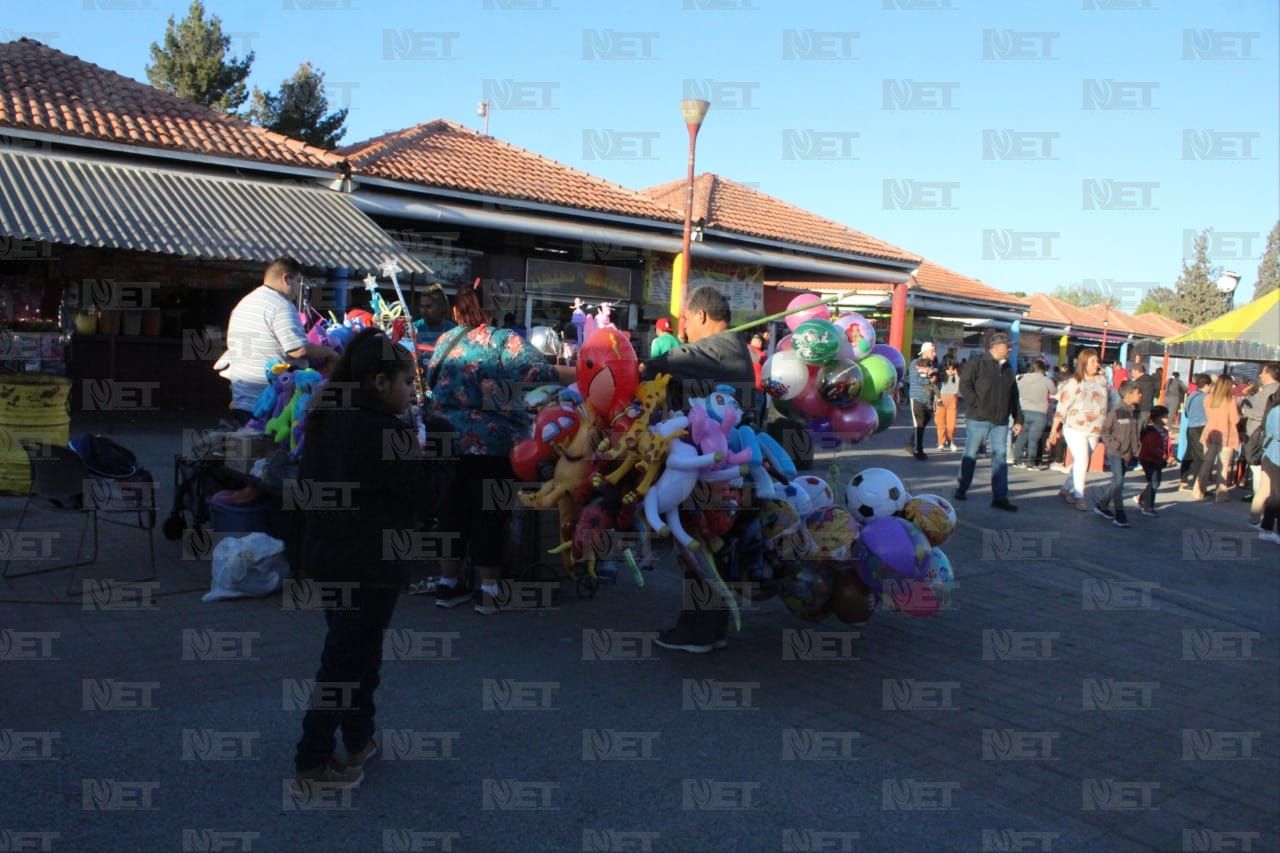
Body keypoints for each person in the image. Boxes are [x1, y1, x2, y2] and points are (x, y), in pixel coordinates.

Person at [293, 328, 425, 796]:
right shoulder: (386, 431)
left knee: (356, 653)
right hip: (371, 561)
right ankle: (312, 760)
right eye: (406, 382)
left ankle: (357, 738)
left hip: (329, 553)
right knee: (346, 660)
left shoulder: (326, 412)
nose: (411, 391)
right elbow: (421, 495)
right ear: (378, 381)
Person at [429, 288, 573, 614]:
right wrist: (585, 374)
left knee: (452, 513)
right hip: (492, 444)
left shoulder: (444, 341)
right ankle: (488, 592)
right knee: (489, 515)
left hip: (447, 442)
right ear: (491, 312)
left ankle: (447, 585)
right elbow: (541, 373)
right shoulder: (503, 340)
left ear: (456, 312)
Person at [641, 286, 756, 654]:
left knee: (700, 547)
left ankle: (700, 632)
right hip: (720, 468)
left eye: (686, 320)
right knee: (705, 547)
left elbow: (668, 360)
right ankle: (706, 626)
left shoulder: (721, 347)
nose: (684, 328)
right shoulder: (728, 348)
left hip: (717, 471)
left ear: (702, 316)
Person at [215, 257, 339, 424]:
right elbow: (298, 350)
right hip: (268, 403)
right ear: (286, 278)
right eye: (298, 281)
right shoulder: (281, 306)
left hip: (242, 399)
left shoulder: (245, 302)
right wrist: (329, 352)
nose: (298, 289)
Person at [953, 333, 1022, 511]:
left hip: (1000, 421)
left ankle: (1000, 497)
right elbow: (965, 386)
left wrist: (1018, 418)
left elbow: (1014, 395)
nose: (1010, 349)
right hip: (978, 418)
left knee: (1000, 456)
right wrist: (977, 404)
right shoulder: (977, 363)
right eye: (1007, 346)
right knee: (971, 453)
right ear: (996, 346)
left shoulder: (1008, 369)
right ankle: (962, 488)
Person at [1047, 349, 1110, 512]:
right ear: (1083, 363)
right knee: (1082, 459)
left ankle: (1065, 489)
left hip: (1095, 429)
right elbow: (1062, 407)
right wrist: (1055, 428)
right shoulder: (1073, 382)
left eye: (1097, 361)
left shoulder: (1102, 380)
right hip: (1075, 427)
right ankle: (1079, 497)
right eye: (1092, 362)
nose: (1096, 365)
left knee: (1082, 462)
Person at [1093, 380, 1142, 528]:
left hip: (1127, 453)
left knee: (1116, 482)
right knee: (1119, 482)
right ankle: (1120, 514)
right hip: (1116, 452)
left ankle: (1102, 505)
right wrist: (1116, 445)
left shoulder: (1133, 411)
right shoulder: (1116, 411)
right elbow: (1105, 431)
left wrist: (1136, 450)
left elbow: (1133, 434)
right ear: (1128, 395)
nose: (1141, 395)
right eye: (1138, 393)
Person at [1242, 363, 1280, 525]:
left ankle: (1258, 518)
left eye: (1262, 372)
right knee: (1267, 485)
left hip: (1263, 440)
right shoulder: (1268, 392)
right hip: (1268, 445)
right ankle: (1260, 519)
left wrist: (1245, 412)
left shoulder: (1270, 393)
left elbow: (1261, 415)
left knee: (1262, 480)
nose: (1259, 375)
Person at [1195, 375, 1241, 501]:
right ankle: (1220, 494)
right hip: (1226, 434)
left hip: (1210, 432)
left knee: (1207, 463)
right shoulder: (1230, 400)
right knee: (1223, 466)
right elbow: (1235, 419)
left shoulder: (1208, 398)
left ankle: (1198, 490)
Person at [1013, 360, 1054, 469]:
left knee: (1022, 437)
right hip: (1040, 413)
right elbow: (1054, 391)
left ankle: (1017, 460)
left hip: (1024, 411)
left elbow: (1017, 392)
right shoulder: (1046, 380)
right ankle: (1030, 463)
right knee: (1033, 439)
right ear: (1043, 369)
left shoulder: (1022, 379)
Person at [1179, 373, 1211, 490]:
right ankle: (1196, 482)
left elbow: (1186, 412)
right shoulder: (1206, 397)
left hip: (1190, 426)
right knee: (1199, 456)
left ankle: (1183, 479)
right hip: (1200, 427)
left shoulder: (1192, 395)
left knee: (1189, 453)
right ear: (1207, 385)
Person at [1136, 405, 1169, 517]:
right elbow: (1151, 448)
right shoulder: (1150, 431)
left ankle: (1141, 498)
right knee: (1154, 482)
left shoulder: (1164, 430)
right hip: (1149, 459)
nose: (1167, 418)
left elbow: (1166, 445)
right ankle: (1148, 507)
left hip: (1157, 459)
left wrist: (1169, 455)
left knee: (1155, 482)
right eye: (1165, 416)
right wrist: (1160, 457)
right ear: (1158, 418)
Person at [907, 342, 938, 461]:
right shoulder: (915, 363)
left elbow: (936, 379)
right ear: (925, 351)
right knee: (919, 424)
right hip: (917, 397)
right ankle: (918, 450)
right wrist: (931, 380)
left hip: (928, 399)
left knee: (925, 421)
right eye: (932, 351)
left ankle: (911, 443)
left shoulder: (932, 364)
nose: (934, 354)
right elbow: (916, 379)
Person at [1257, 386, 1280, 544]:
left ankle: (1266, 527)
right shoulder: (1277, 411)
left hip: (1272, 454)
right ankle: (1271, 530)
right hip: (1275, 455)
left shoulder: (1274, 410)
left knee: (1275, 495)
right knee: (1277, 495)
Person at [413, 283, 456, 354]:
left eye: (428, 306)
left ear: (441, 307)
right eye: (421, 306)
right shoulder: (413, 329)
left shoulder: (454, 331)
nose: (424, 310)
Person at [935, 356, 960, 452]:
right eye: (948, 369)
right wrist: (936, 399)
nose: (951, 371)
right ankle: (941, 443)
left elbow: (957, 389)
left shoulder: (955, 377)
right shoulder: (940, 377)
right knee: (940, 423)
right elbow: (935, 388)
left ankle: (951, 441)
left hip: (952, 400)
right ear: (944, 368)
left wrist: (957, 375)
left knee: (951, 425)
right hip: (940, 400)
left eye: (953, 368)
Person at [1130, 362, 1158, 428]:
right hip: (1148, 409)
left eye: (1132, 372)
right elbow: (1156, 393)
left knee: (1136, 431)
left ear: (1137, 371)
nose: (1132, 374)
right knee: (1143, 430)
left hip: (1139, 409)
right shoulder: (1152, 380)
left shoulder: (1137, 382)